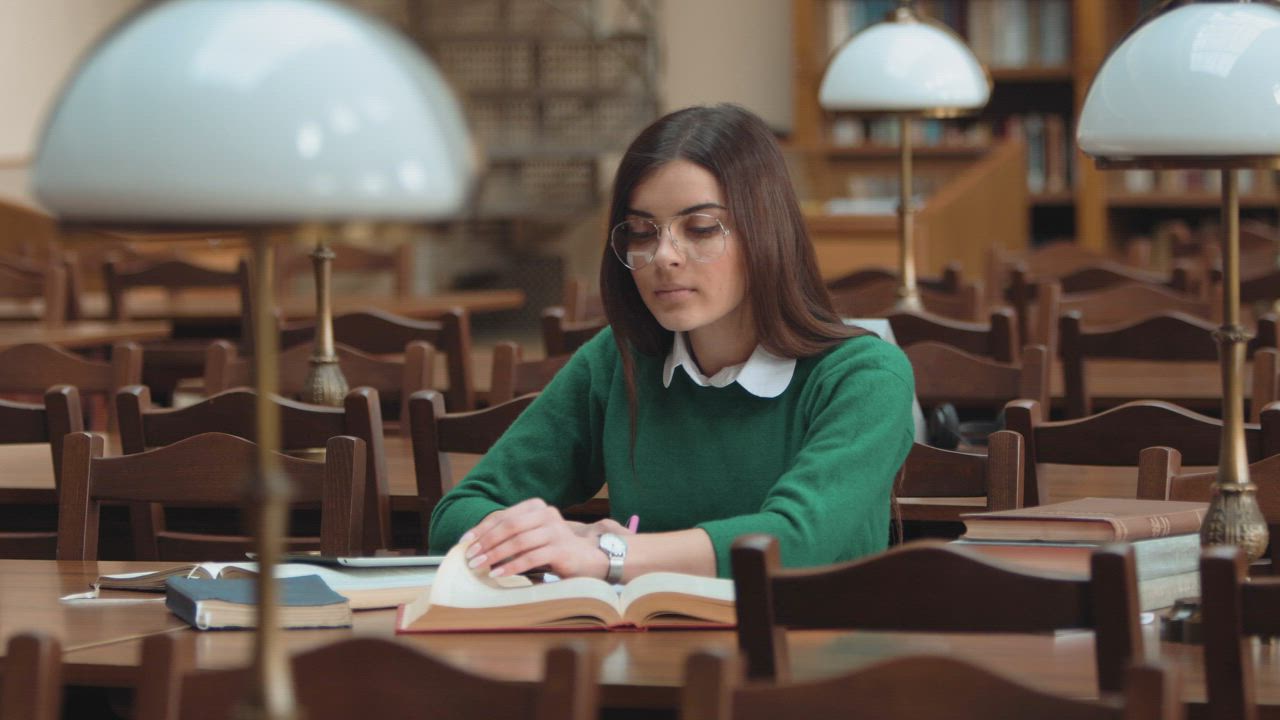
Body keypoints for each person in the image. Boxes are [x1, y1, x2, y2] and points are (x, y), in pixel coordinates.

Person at [429, 104, 915, 581]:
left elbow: (800, 539)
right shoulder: (617, 361)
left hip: (818, 651)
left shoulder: (866, 376)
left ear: (767, 231)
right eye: (641, 233)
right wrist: (559, 541)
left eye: (701, 228)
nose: (663, 256)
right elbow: (457, 514)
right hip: (648, 650)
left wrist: (611, 554)